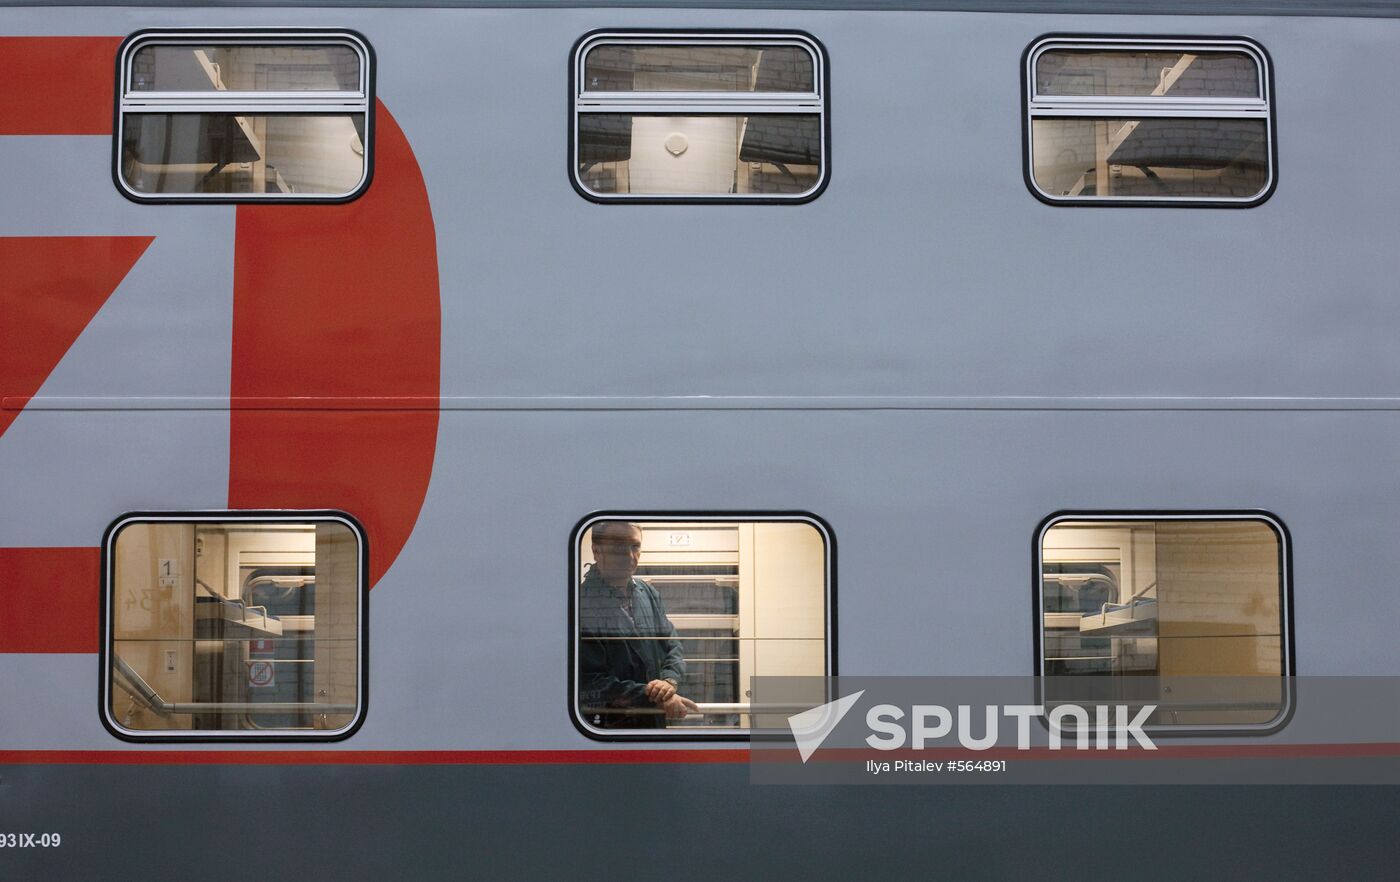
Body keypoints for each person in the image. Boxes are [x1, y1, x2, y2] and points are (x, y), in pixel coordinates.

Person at [579, 521, 698, 728]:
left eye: (635, 546)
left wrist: (668, 681)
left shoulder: (647, 593)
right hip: (608, 728)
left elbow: (672, 644)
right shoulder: (582, 602)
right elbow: (590, 680)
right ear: (596, 551)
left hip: (652, 720)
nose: (629, 556)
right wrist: (653, 695)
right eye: (618, 548)